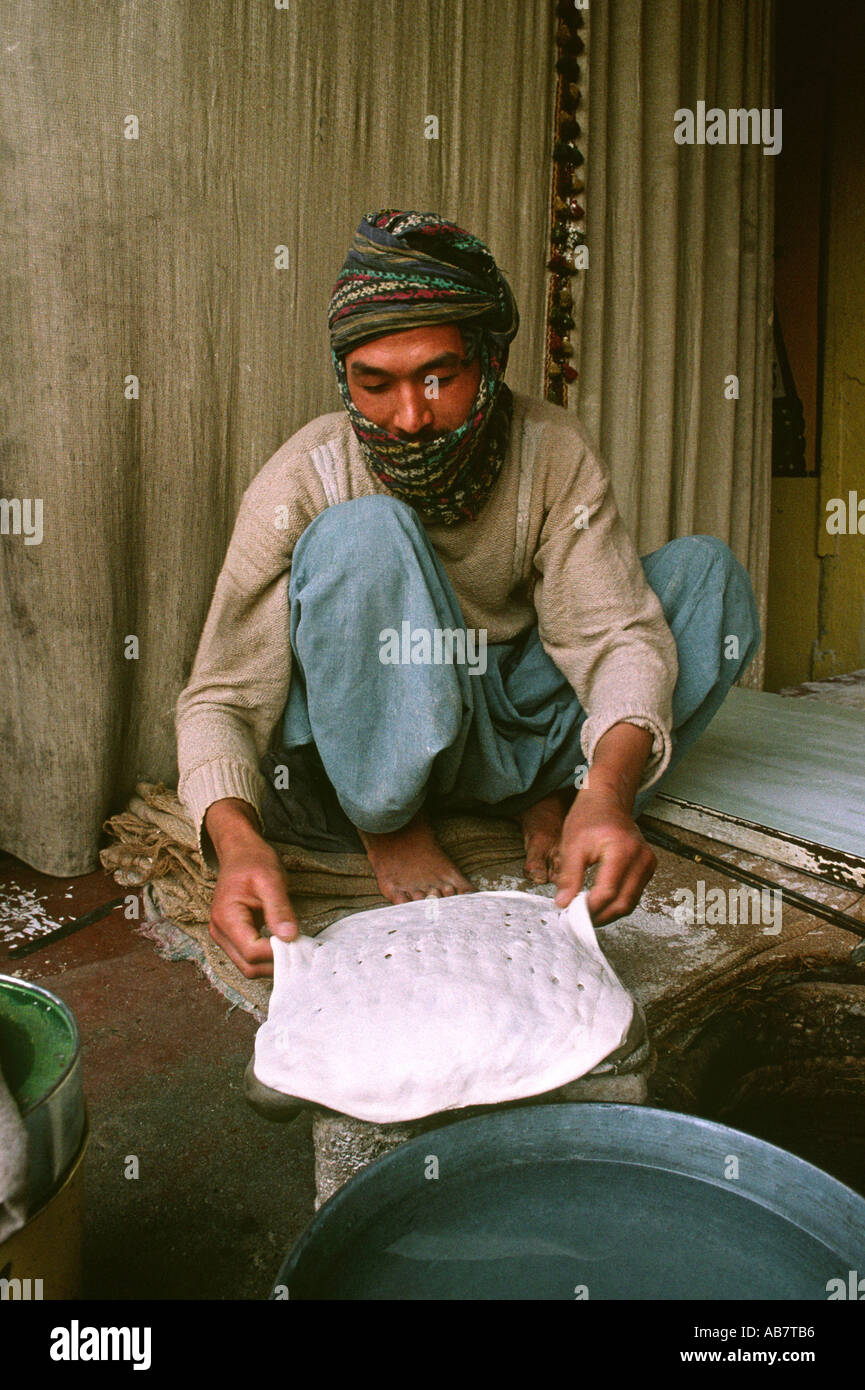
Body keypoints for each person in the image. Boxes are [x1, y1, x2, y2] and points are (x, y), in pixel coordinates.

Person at [175, 209, 761, 980]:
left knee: (706, 575)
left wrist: (608, 792)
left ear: (488, 360)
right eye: (373, 384)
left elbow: (612, 635)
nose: (409, 418)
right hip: (358, 735)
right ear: (343, 376)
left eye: (438, 377)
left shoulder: (551, 452)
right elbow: (220, 695)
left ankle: (551, 795)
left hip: (493, 715)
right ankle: (390, 820)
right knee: (364, 533)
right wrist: (237, 845)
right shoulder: (307, 476)